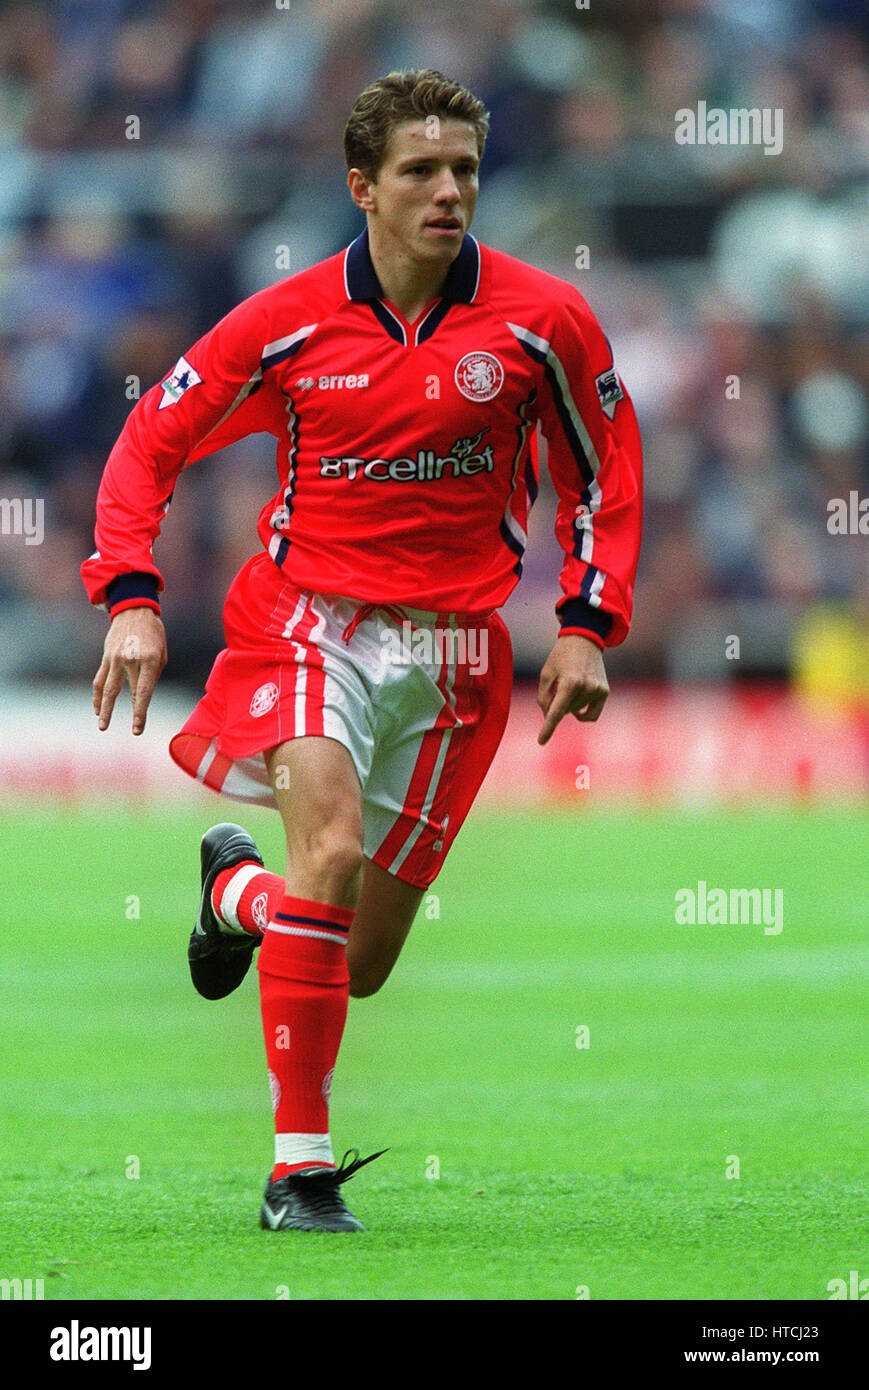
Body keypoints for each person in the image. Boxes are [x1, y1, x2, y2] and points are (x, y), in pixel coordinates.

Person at [82, 69, 643, 1233]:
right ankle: (299, 1167)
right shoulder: (283, 321)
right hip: (308, 624)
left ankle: (232, 891)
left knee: (357, 955)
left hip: (456, 659)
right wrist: (130, 594)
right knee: (328, 852)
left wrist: (587, 621)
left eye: (465, 170)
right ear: (361, 188)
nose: (449, 191)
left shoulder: (544, 323)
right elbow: (151, 440)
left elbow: (603, 472)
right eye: (419, 172)